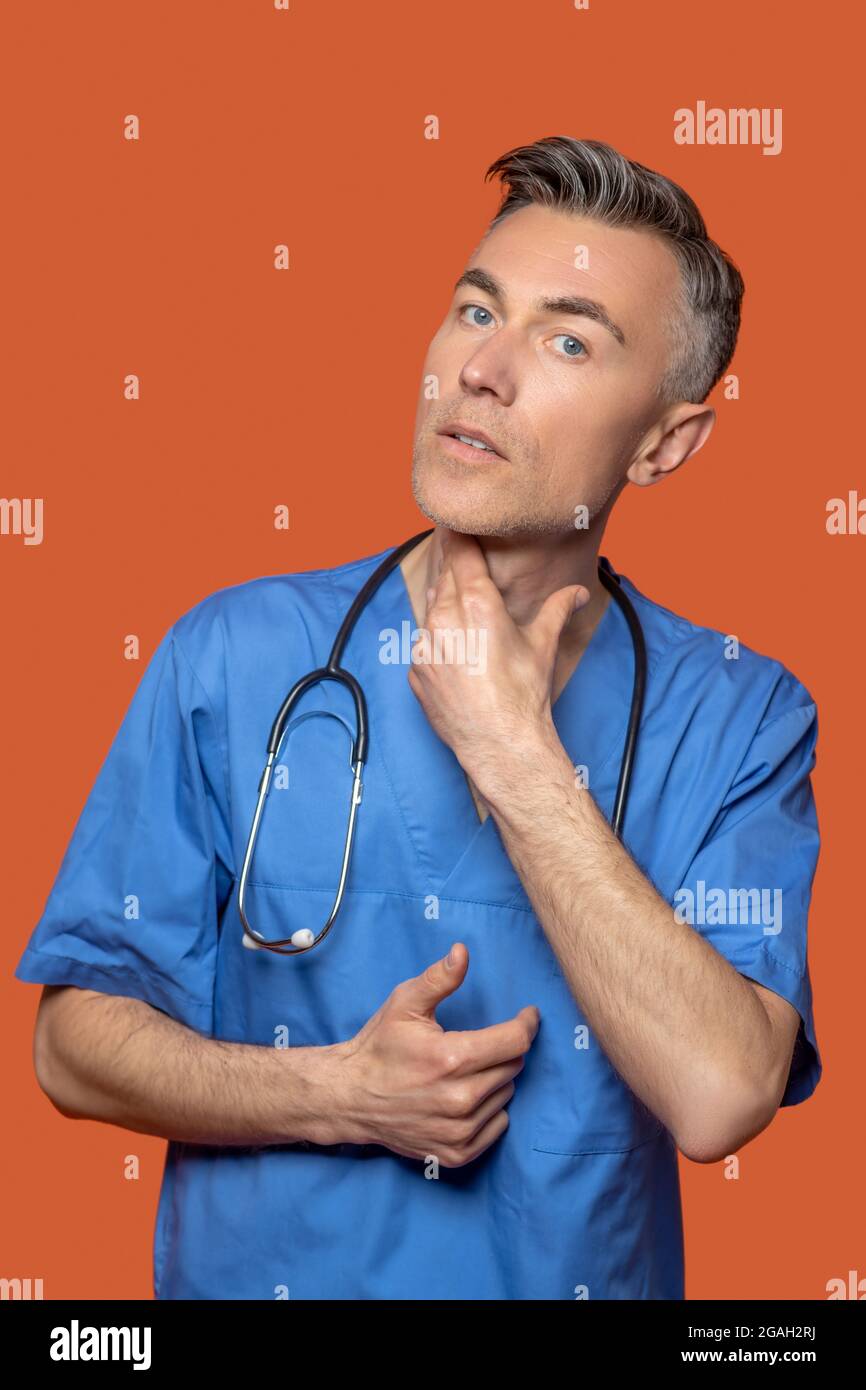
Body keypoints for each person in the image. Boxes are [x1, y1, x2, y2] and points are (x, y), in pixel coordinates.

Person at [16, 136, 821, 1301]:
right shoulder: (237, 654)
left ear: (663, 441)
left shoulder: (740, 713)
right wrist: (337, 1093)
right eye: (471, 309)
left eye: (566, 339)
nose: (480, 369)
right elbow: (71, 1046)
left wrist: (511, 751)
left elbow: (718, 1095)